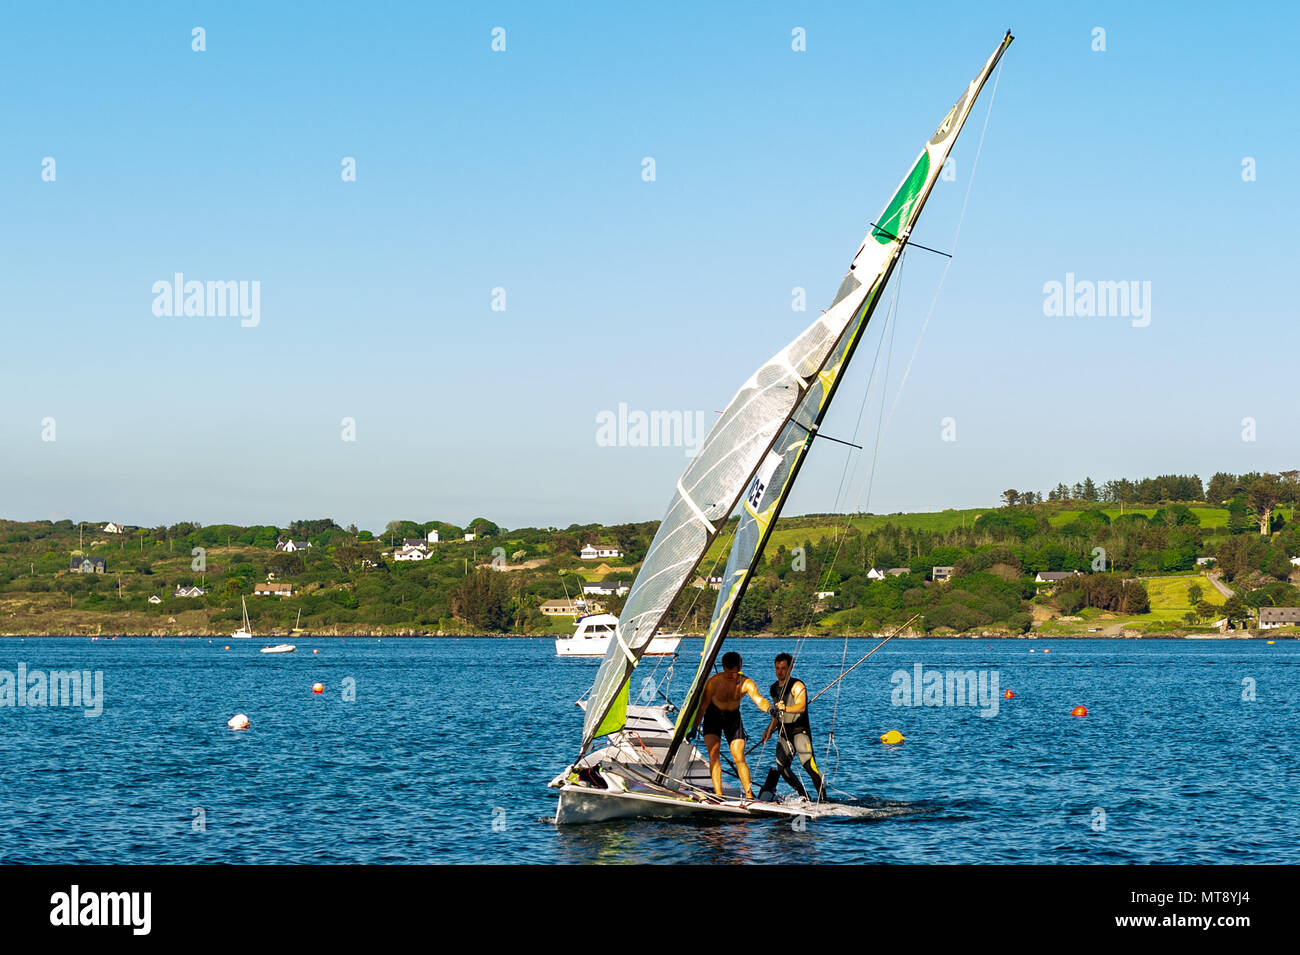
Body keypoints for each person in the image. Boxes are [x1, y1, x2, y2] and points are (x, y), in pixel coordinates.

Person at [690, 651, 773, 799]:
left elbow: (759, 699)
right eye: (728, 672)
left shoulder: (746, 683)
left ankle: (749, 796)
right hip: (712, 717)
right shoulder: (714, 682)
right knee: (714, 754)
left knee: (739, 756)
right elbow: (702, 707)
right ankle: (719, 794)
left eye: (734, 673)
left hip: (733, 718)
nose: (731, 676)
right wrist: (695, 727)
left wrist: (770, 709)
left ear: (740, 668)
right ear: (723, 668)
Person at [757, 652, 826, 803]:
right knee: (782, 767)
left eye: (783, 668)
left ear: (790, 668)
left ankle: (823, 800)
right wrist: (768, 730)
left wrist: (785, 708)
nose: (780, 671)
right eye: (777, 668)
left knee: (808, 765)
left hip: (800, 731)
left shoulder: (798, 685)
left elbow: (801, 707)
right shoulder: (773, 688)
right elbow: (777, 715)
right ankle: (804, 795)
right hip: (784, 732)